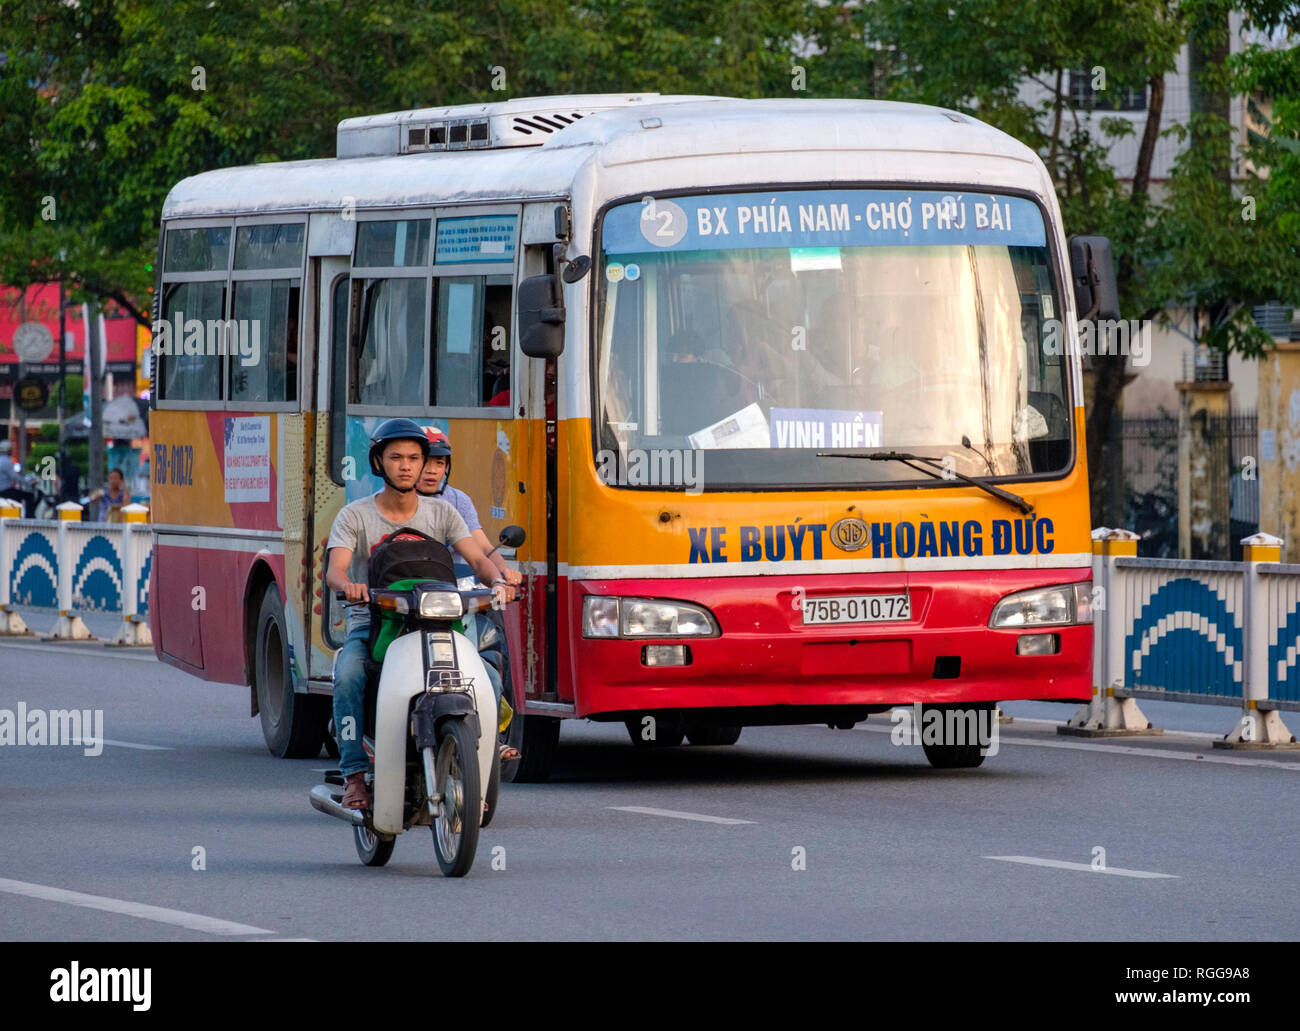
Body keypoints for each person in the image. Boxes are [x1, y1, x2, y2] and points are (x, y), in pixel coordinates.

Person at [324, 418, 516, 811]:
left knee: (490, 677)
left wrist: (500, 581)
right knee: (348, 676)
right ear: (379, 462)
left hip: (439, 623)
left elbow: (478, 557)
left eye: (415, 457)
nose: (407, 465)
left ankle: (478, 756)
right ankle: (355, 774)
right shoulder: (356, 515)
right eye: (396, 457)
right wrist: (350, 586)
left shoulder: (442, 513)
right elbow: (335, 570)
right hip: (375, 623)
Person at [416, 426, 524, 760]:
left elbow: (478, 550)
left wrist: (503, 575)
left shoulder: (455, 502)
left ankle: (492, 735)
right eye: (425, 461)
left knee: (488, 666)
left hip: (456, 598)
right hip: (408, 602)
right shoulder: (384, 506)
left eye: (439, 463)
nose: (432, 470)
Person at [0, 441, 34, 516]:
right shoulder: (7, 461)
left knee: (18, 495)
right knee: (29, 496)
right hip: (5, 490)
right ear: (8, 450)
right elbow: (14, 476)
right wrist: (28, 482)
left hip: (3, 490)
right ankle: (29, 517)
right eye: (11, 449)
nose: (12, 451)